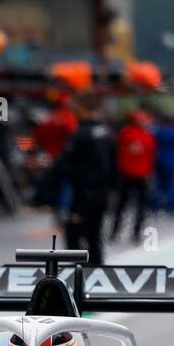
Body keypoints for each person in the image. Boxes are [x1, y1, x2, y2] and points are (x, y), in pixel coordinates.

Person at [54, 94, 114, 264]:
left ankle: (80, 271)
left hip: (82, 194)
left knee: (73, 235)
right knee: (94, 236)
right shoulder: (108, 134)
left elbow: (65, 166)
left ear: (83, 108)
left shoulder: (80, 135)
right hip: (101, 194)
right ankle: (97, 271)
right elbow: (115, 166)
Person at [110, 112, 155, 244]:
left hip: (128, 175)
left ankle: (116, 231)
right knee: (139, 207)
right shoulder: (146, 136)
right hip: (137, 176)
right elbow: (150, 157)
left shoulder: (125, 134)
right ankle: (134, 233)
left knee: (122, 205)